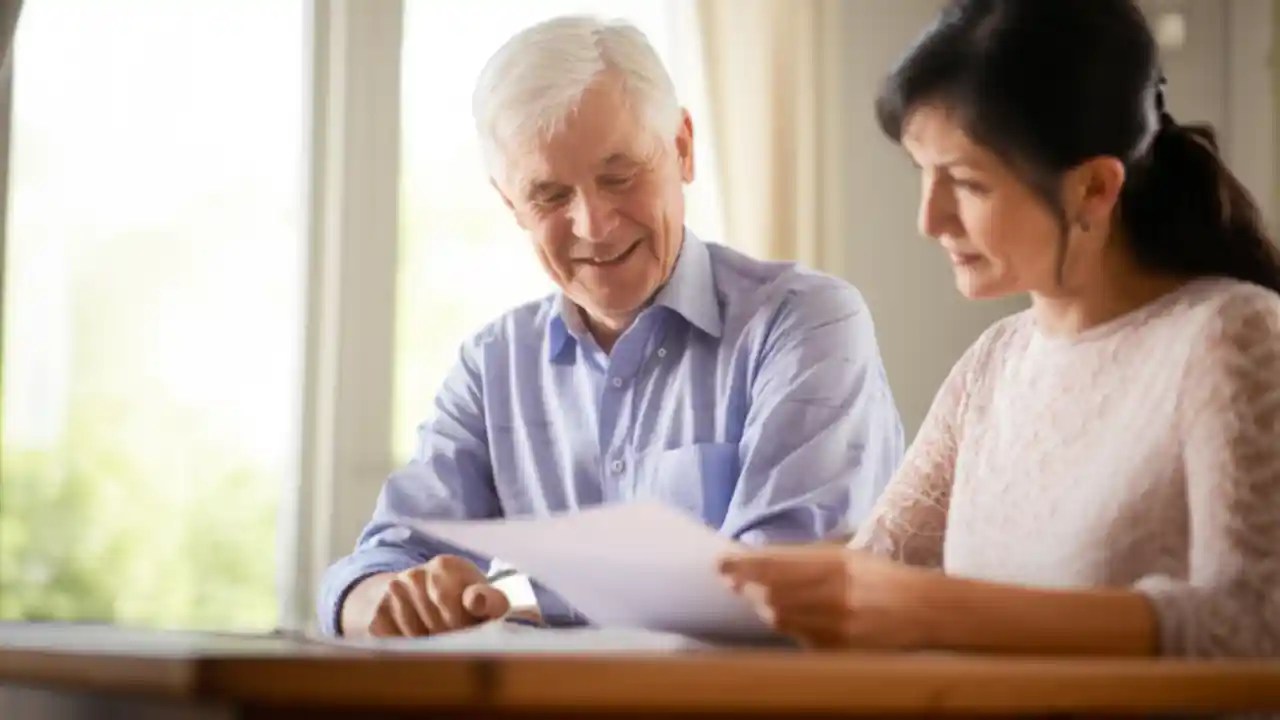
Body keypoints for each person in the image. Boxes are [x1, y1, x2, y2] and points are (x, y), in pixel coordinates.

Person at [720, 0, 1280, 657]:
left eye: (965, 183)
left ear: (1095, 187)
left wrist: (941, 612)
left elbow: (1254, 623)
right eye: (922, 175)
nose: (929, 219)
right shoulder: (996, 360)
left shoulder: (1231, 336)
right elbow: (875, 567)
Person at [318, 16, 904, 638]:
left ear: (682, 148)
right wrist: (390, 600)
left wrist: (526, 607)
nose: (593, 226)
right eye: (548, 196)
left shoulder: (805, 324)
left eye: (619, 177)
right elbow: (371, 569)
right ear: (510, 203)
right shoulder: (494, 365)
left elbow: (781, 598)